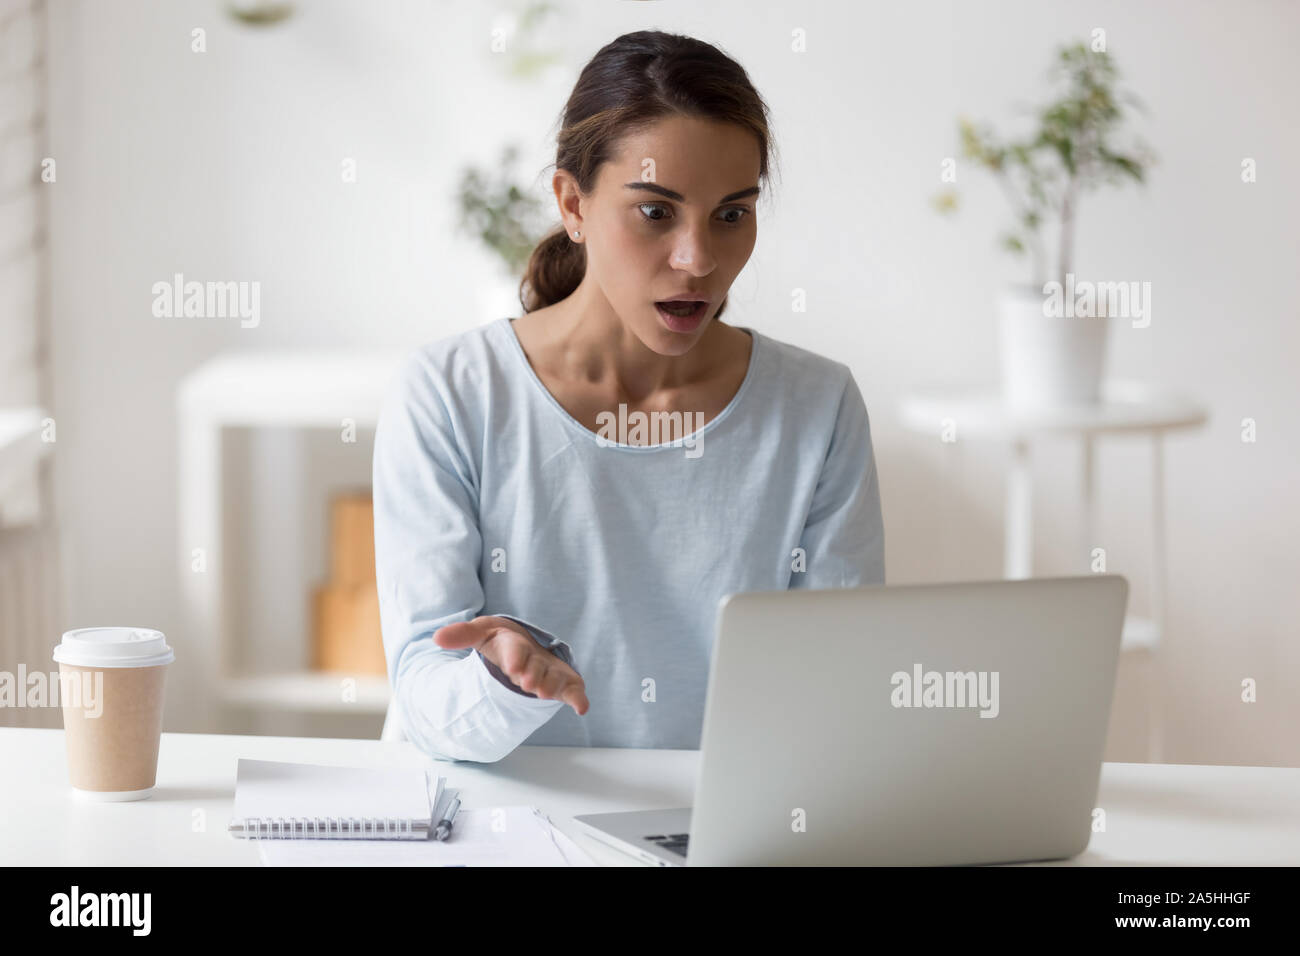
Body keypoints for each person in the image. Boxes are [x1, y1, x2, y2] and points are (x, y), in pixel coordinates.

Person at [373, 30, 885, 763]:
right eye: (655, 212)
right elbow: (427, 690)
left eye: (731, 214)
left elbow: (834, 682)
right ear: (572, 204)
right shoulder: (450, 394)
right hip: (505, 812)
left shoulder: (817, 407)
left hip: (719, 817)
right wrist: (504, 682)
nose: (698, 260)